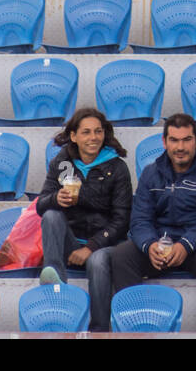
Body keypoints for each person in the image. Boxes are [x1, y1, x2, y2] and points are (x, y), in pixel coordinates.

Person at [107, 113, 196, 325]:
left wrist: (186, 244)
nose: (180, 147)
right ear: (165, 142)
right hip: (160, 249)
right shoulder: (150, 174)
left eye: (186, 139)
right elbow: (139, 220)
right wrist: (150, 245)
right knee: (122, 254)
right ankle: (138, 323)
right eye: (174, 140)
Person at [35, 107, 132, 332]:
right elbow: (40, 206)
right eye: (86, 132)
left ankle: (99, 330)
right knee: (51, 215)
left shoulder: (117, 168)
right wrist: (56, 199)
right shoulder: (62, 163)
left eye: (98, 132)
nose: (93, 138)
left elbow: (122, 220)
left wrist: (91, 247)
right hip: (70, 241)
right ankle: (55, 279)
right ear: (73, 136)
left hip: (104, 243)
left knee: (97, 262)